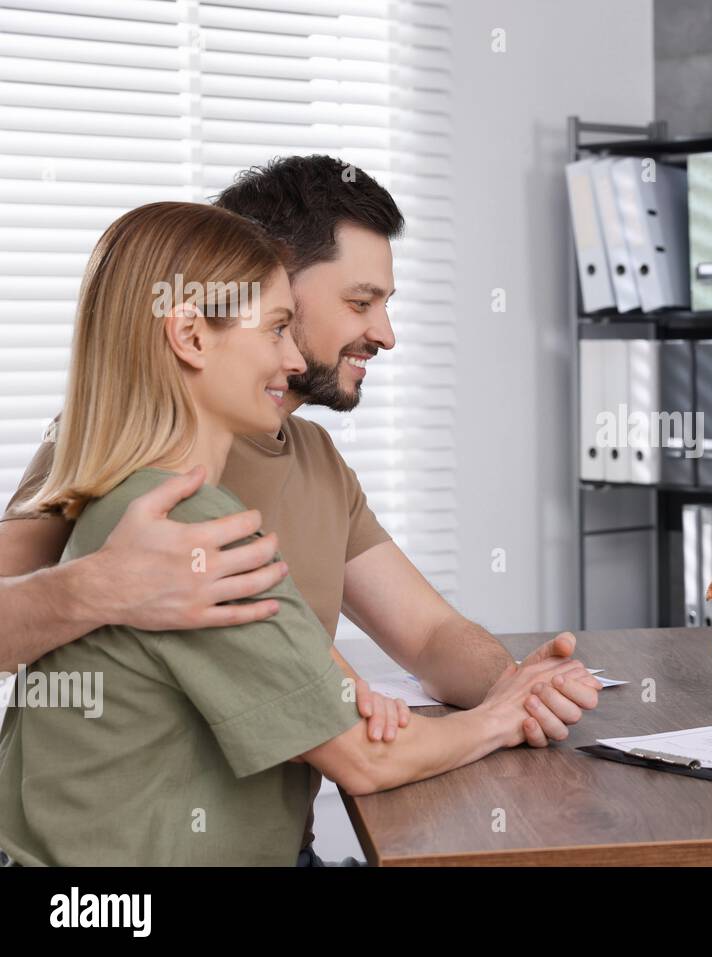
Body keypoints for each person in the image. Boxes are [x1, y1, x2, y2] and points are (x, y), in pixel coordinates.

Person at [0, 157, 598, 862]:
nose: (386, 332)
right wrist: (98, 586)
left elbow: (428, 632)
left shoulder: (309, 458)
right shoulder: (122, 462)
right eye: (359, 301)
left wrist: (517, 688)